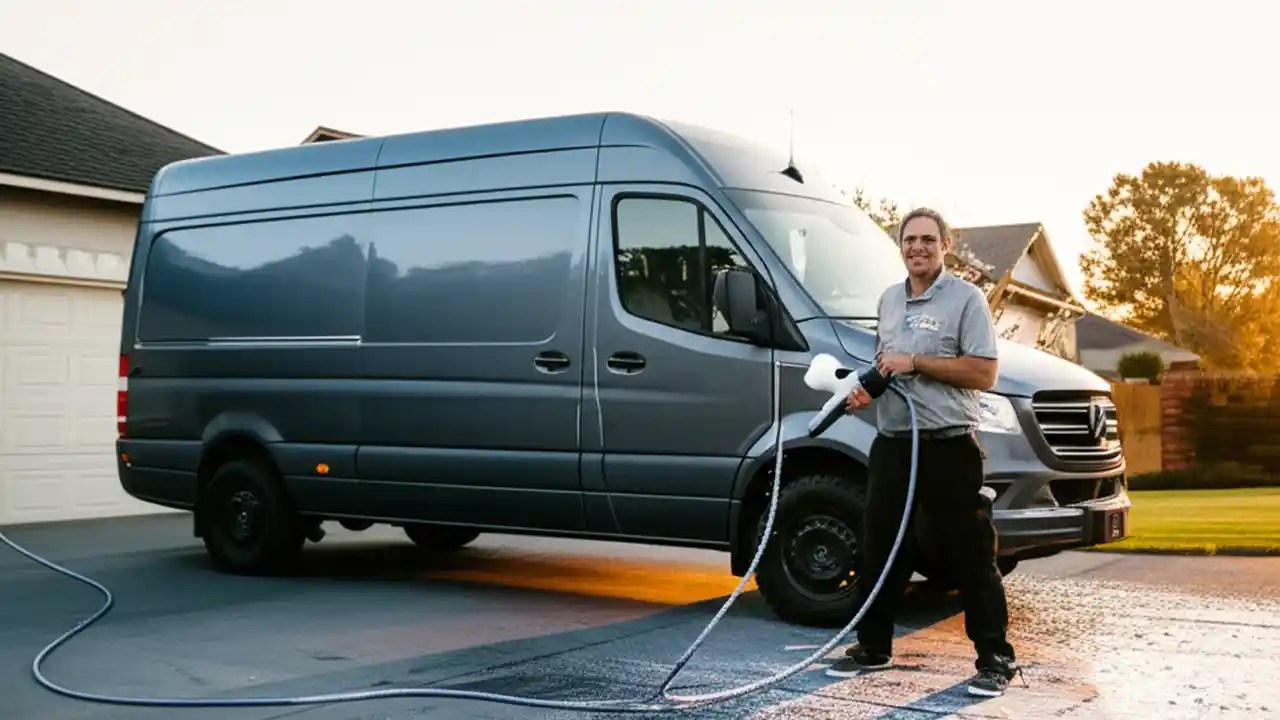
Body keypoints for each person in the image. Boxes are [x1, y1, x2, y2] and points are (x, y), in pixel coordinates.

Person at [823, 207, 1020, 698]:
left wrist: (916, 362)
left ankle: (995, 660)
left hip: (949, 445)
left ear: (945, 246)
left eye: (928, 240)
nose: (918, 248)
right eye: (910, 240)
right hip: (894, 445)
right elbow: (884, 367)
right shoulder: (889, 301)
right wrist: (867, 391)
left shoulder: (966, 299)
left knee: (971, 555)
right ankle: (873, 647)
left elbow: (984, 373)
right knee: (881, 549)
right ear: (901, 246)